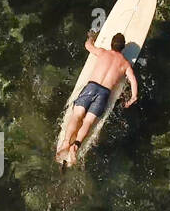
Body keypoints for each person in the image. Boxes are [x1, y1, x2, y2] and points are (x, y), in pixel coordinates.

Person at [56, 29, 139, 166]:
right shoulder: (125, 64)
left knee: (77, 115)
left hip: (91, 87)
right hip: (104, 93)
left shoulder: (103, 52)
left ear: (111, 44)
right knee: (88, 122)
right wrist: (133, 97)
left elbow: (88, 46)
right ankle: (76, 145)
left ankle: (66, 143)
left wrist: (91, 37)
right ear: (123, 48)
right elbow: (133, 81)